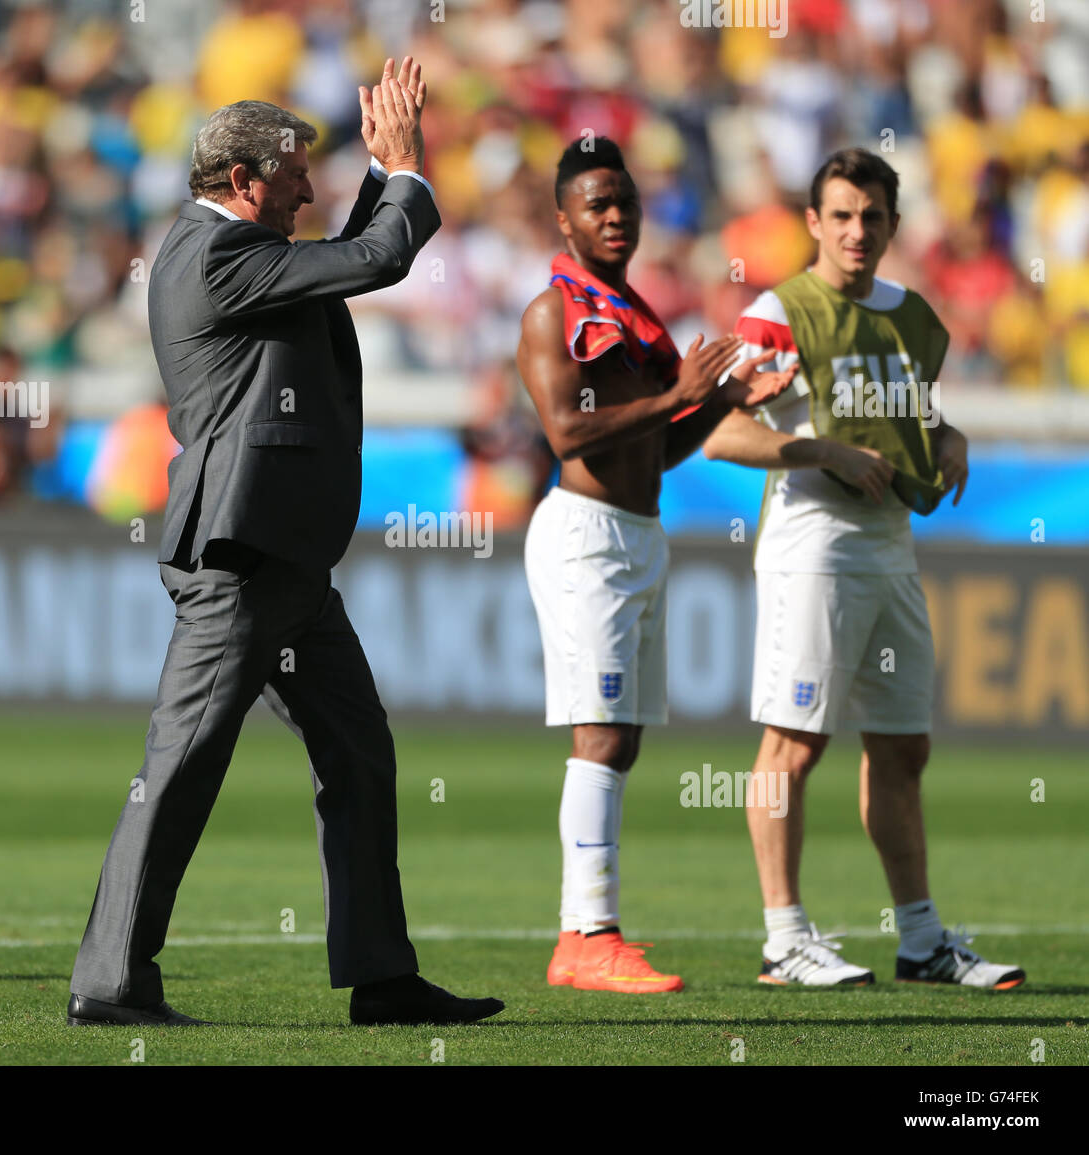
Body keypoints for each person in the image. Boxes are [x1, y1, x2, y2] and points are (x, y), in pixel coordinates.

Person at [68, 58, 504, 1027]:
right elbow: (374, 260)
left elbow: (354, 253)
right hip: (241, 562)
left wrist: (391, 183)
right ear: (244, 180)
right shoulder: (214, 256)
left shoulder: (235, 248)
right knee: (181, 765)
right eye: (298, 171)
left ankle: (382, 978)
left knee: (359, 757)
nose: (312, 187)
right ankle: (108, 980)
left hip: (289, 564)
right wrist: (402, 167)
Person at [701, 147, 1025, 989]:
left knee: (903, 746)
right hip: (813, 543)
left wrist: (948, 437)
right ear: (812, 223)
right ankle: (784, 936)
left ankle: (921, 941)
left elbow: (918, 414)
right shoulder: (779, 311)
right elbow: (718, 432)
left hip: (890, 543)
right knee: (794, 743)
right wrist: (821, 451)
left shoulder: (910, 315)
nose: (855, 230)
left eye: (870, 216)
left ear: (893, 225)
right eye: (839, 215)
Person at [516, 137, 795, 993]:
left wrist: (720, 401)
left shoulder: (640, 316)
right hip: (584, 535)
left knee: (622, 737)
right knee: (597, 732)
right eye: (596, 204)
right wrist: (679, 393)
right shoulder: (550, 312)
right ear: (563, 218)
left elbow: (662, 447)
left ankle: (591, 932)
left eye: (624, 204)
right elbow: (564, 434)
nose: (613, 216)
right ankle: (585, 934)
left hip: (639, 531)